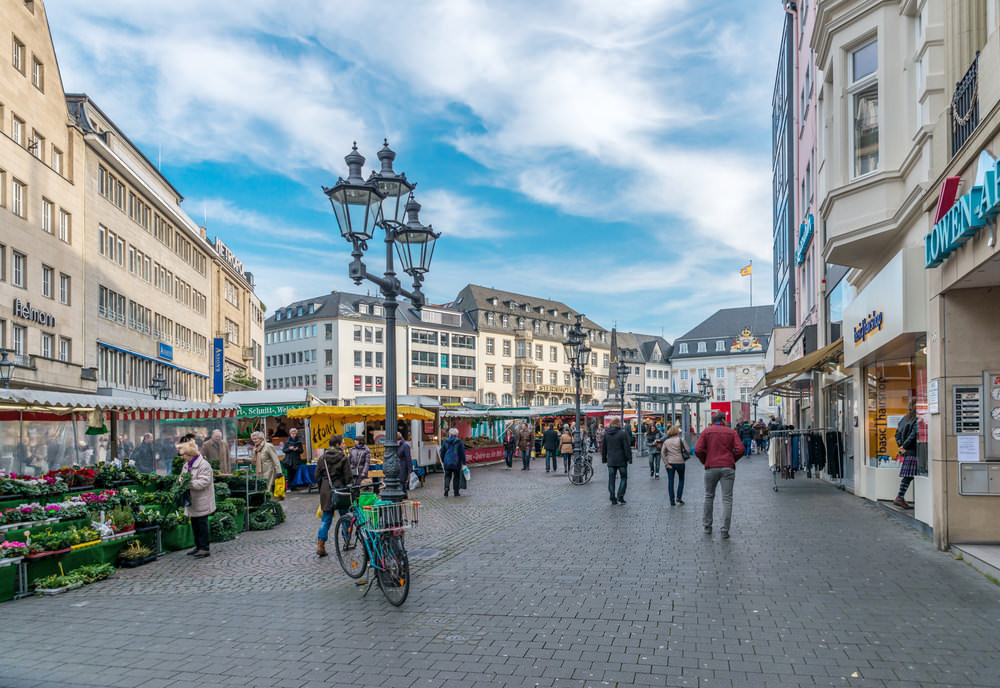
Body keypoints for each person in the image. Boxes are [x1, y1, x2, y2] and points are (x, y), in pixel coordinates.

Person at [695, 411, 745, 538]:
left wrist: (705, 460)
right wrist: (732, 459)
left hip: (711, 466)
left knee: (708, 496)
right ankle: (724, 530)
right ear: (723, 420)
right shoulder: (731, 432)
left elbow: (698, 450)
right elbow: (741, 449)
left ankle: (707, 526)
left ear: (712, 420)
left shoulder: (706, 431)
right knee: (727, 499)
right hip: (727, 467)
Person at [315, 435, 352, 557]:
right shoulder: (343, 458)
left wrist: (322, 488)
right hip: (340, 489)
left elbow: (317, 476)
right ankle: (347, 541)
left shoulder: (322, 458)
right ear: (337, 445)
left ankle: (321, 545)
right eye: (342, 443)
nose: (344, 445)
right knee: (345, 516)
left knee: (326, 519)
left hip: (326, 490)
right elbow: (348, 476)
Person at [177, 439, 215, 558]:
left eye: (184, 455)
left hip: (202, 499)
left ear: (190, 454)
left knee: (201, 523)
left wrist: (188, 483)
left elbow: (204, 482)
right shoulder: (186, 465)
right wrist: (181, 481)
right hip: (192, 499)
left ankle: (204, 548)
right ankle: (198, 546)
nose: (183, 457)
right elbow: (182, 477)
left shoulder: (204, 465)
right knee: (194, 523)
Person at [894, 399, 919, 509]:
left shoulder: (904, 419)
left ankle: (900, 497)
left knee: (909, 476)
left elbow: (897, 435)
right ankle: (900, 497)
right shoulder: (917, 419)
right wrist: (904, 446)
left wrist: (901, 446)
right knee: (910, 476)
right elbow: (913, 435)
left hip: (907, 451)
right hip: (913, 450)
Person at [601, 418, 632, 505]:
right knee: (623, 478)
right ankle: (620, 496)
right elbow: (627, 447)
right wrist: (629, 458)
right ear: (618, 424)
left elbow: (604, 448)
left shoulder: (606, 434)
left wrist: (604, 459)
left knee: (611, 479)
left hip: (611, 460)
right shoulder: (622, 433)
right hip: (621, 460)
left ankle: (612, 496)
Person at [661, 424, 690, 506]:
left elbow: (662, 452)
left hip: (670, 463)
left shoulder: (666, 441)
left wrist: (666, 463)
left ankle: (672, 500)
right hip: (680, 462)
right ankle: (679, 497)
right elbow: (688, 450)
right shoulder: (681, 440)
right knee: (681, 479)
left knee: (671, 481)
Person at [251, 431, 283, 497]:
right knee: (261, 489)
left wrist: (279, 471)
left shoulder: (268, 446)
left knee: (267, 488)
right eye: (253, 439)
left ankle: (268, 503)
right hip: (259, 471)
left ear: (261, 438)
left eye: (256, 439)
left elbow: (275, 459)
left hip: (269, 470)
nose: (254, 441)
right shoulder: (256, 448)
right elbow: (255, 460)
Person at [439, 427, 466, 497]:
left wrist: (442, 460)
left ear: (450, 434)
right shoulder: (459, 442)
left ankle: (446, 489)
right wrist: (464, 462)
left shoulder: (445, 441)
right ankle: (456, 492)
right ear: (456, 434)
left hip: (447, 462)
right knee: (456, 477)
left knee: (447, 476)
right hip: (456, 462)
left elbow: (442, 452)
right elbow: (462, 453)